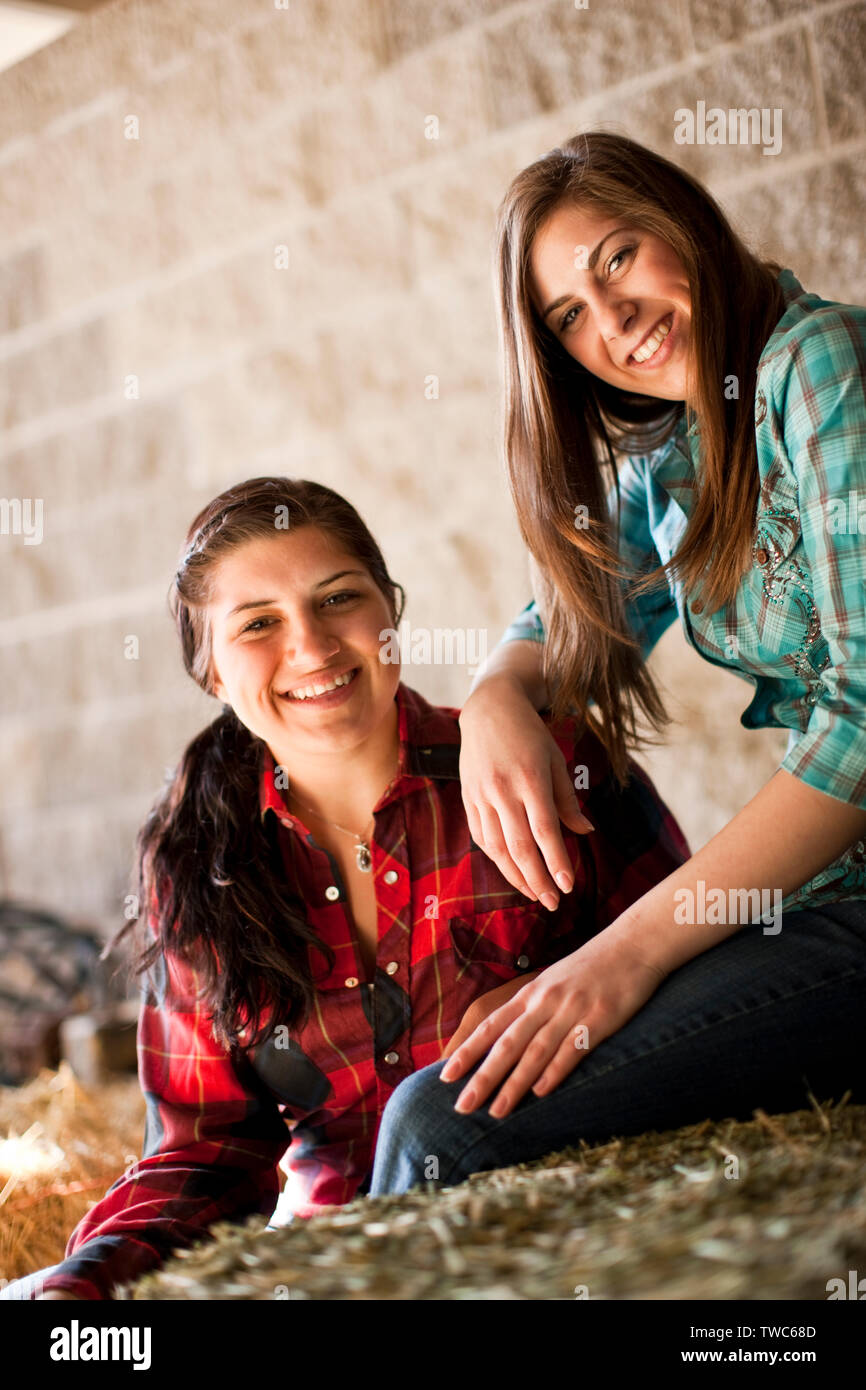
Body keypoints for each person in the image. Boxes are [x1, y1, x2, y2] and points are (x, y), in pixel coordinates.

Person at [2, 475, 689, 1300]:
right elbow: (205, 1151)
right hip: (334, 1271)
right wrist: (79, 1287)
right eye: (258, 624)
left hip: (557, 1245)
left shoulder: (551, 762)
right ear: (210, 671)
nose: (314, 646)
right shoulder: (193, 861)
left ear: (390, 611)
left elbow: (707, 1000)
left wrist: (571, 1001)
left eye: (339, 599)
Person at [366, 130, 866, 1201]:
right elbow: (575, 613)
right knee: (444, 1088)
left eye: (617, 260)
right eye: (568, 318)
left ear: (682, 221)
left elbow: (861, 738)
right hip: (830, 896)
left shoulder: (816, 363)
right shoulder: (684, 443)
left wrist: (622, 956)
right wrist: (498, 690)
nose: (613, 321)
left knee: (441, 1129)